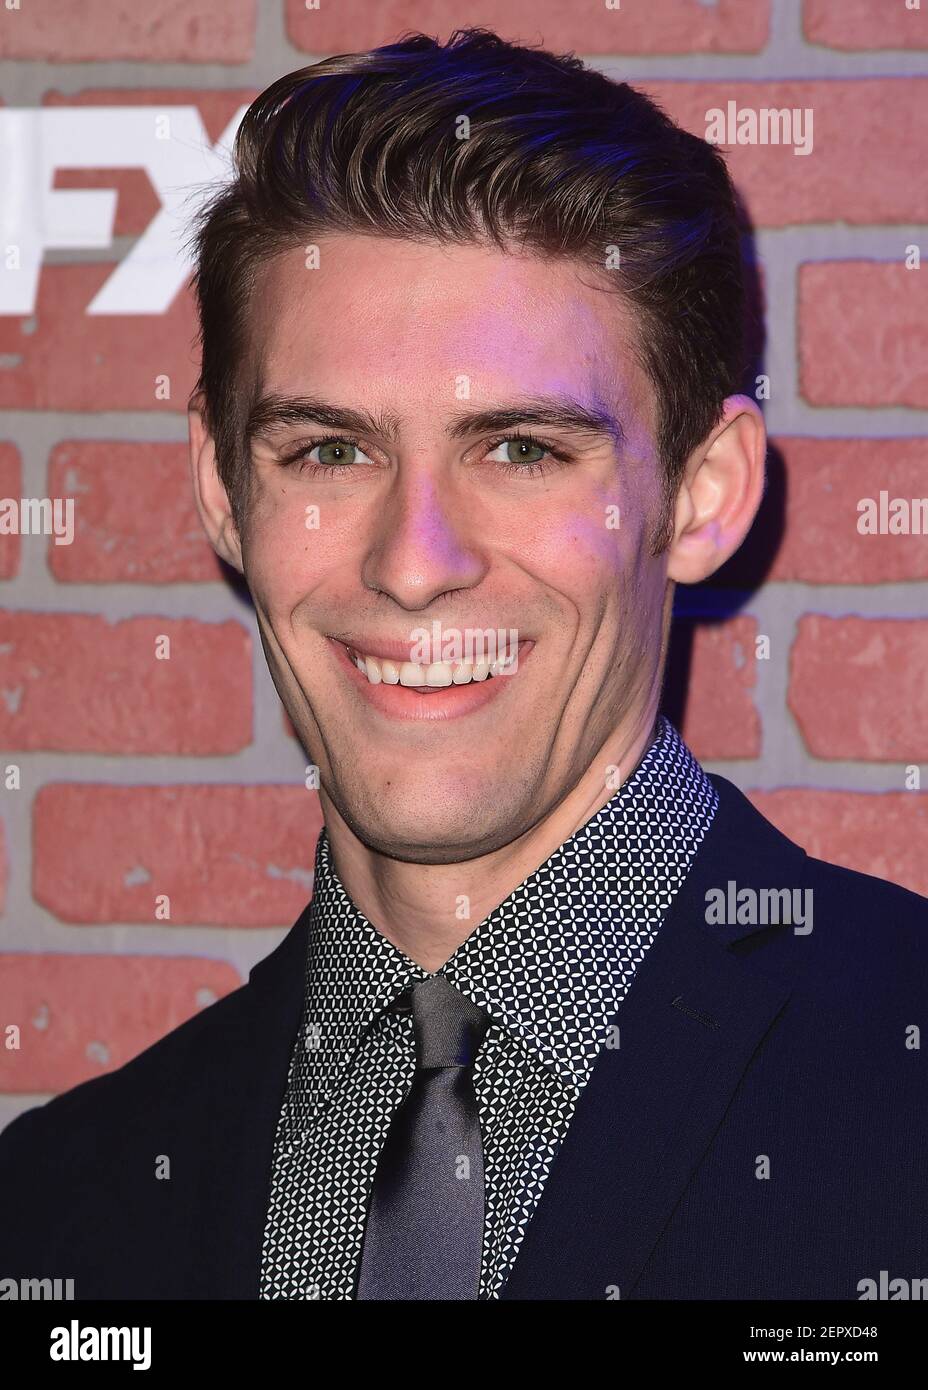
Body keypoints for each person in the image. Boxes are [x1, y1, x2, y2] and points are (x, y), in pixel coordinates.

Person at [1, 27, 925, 1302]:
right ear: (224, 493)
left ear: (703, 496)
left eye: (523, 450)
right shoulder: (58, 1213)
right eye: (328, 451)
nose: (414, 562)